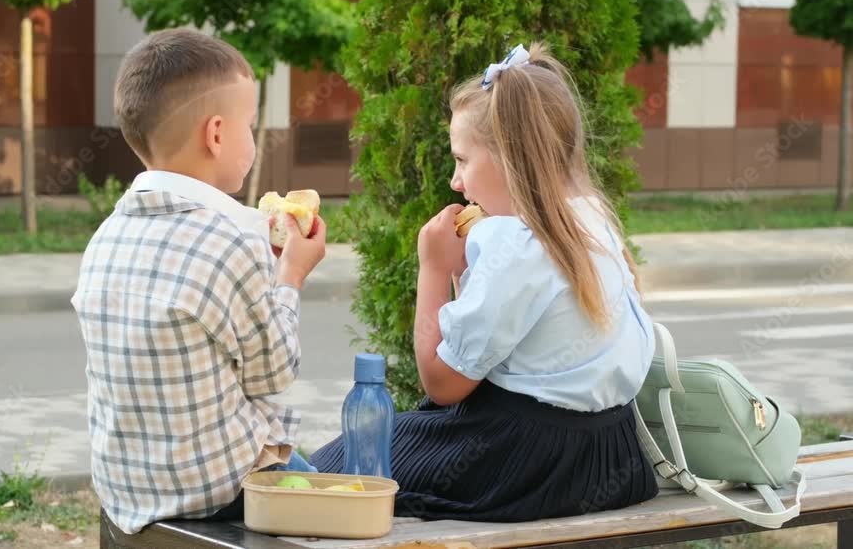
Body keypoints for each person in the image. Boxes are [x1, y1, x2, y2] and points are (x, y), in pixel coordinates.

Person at [311, 42, 658, 522]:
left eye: (462, 160)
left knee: (330, 476)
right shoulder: (593, 219)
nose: (456, 181)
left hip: (521, 462)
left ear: (512, 159)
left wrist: (433, 269)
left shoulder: (515, 245)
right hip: (610, 457)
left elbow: (444, 384)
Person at [71, 27, 326, 535]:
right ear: (215, 134)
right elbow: (273, 373)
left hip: (130, 487)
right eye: (249, 126)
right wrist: (291, 274)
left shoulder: (106, 237)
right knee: (341, 505)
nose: (253, 139)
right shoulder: (233, 237)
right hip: (220, 486)